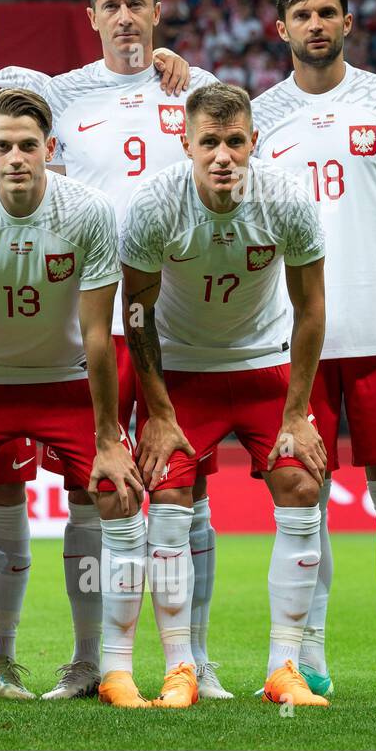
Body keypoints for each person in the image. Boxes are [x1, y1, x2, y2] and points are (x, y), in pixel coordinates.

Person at [252, 0, 376, 699]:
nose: (316, 24)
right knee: (305, 499)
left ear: (348, 21)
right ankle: (309, 656)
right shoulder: (260, 115)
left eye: (327, 12)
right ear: (281, 29)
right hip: (290, 343)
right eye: (301, 14)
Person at [42, 0, 230, 699]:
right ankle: (90, 660)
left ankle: (198, 660)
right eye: (111, 5)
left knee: (193, 489)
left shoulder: (198, 90)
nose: (124, 16)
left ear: (157, 12)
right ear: (91, 17)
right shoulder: (58, 96)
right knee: (93, 492)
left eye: (136, 4)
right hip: (88, 320)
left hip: (180, 324)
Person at [0, 87, 143, 710]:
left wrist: (108, 438)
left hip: (66, 380)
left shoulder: (90, 211)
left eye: (27, 146)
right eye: (3, 146)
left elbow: (99, 334)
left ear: (49, 149)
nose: (16, 157)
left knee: (117, 495)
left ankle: (104, 666)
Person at [120, 83, 330, 708]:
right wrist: (158, 412)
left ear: (253, 142)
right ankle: (180, 667)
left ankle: (283, 668)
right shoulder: (155, 203)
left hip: (264, 365)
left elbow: (312, 308)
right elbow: (136, 311)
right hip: (183, 374)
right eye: (208, 142)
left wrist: (298, 411)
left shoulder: (287, 198)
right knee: (171, 492)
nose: (222, 156)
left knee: (302, 484)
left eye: (234, 141)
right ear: (186, 143)